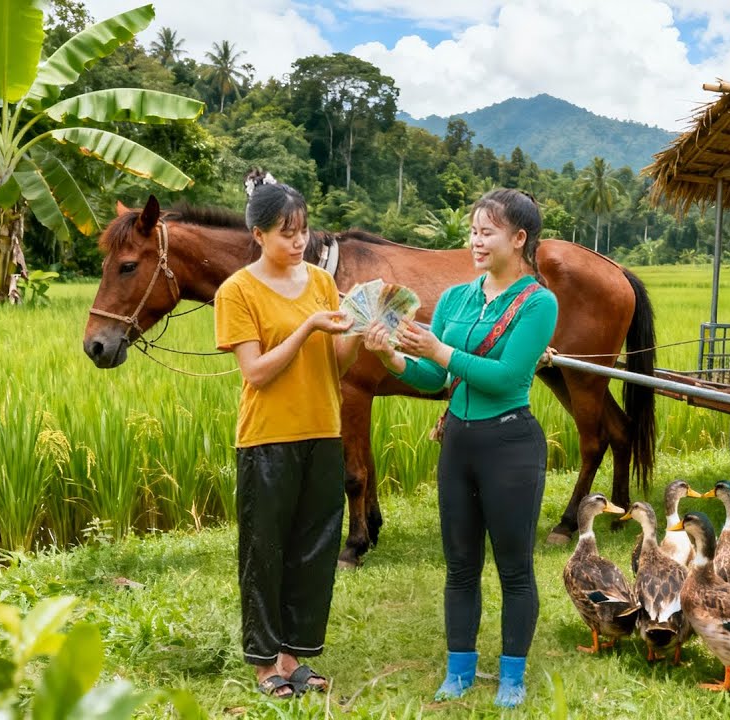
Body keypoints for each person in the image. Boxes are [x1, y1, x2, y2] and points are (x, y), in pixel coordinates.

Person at [363, 188, 558, 708]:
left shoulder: (538, 302)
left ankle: (512, 675)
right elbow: (432, 378)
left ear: (518, 239)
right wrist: (393, 360)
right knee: (460, 564)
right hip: (460, 445)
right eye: (473, 230)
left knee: (514, 566)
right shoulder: (455, 298)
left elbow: (508, 375)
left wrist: (440, 349)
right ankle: (460, 669)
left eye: (487, 231)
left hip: (511, 443)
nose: (475, 240)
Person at [213, 173, 364, 698]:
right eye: (285, 232)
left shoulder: (322, 283)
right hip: (267, 439)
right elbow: (255, 373)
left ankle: (293, 656)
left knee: (314, 548)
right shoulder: (237, 291)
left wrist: (359, 335)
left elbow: (336, 364)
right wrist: (306, 329)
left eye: (303, 231)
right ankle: (263, 664)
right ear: (258, 234)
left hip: (323, 431)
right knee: (265, 549)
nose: (299, 242)